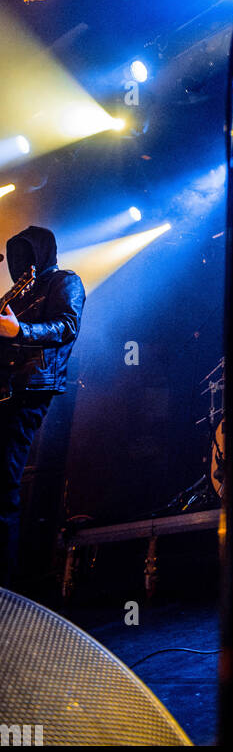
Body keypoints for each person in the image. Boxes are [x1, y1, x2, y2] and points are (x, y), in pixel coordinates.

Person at [0, 226, 85, 587]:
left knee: (3, 483)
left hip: (31, 389)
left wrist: (20, 332)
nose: (21, 264)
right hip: (5, 388)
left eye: (27, 255)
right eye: (15, 257)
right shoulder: (14, 294)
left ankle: (4, 586)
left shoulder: (65, 281)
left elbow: (67, 327)